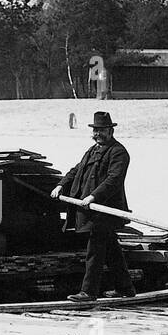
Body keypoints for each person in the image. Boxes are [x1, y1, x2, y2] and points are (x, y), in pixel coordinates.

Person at [51, 110, 134, 301]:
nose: (98, 134)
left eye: (102, 130)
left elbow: (114, 180)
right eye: (95, 130)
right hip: (90, 211)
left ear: (111, 131)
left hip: (105, 211)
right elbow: (76, 170)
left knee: (94, 251)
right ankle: (126, 288)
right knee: (111, 249)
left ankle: (88, 292)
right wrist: (61, 185)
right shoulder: (92, 150)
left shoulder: (119, 152)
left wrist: (93, 197)